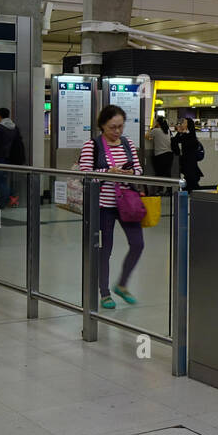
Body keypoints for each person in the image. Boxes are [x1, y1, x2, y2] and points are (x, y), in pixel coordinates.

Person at [77, 105, 143, 309]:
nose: (117, 132)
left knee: (138, 244)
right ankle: (104, 292)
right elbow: (85, 175)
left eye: (120, 127)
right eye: (112, 127)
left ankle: (122, 284)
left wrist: (131, 174)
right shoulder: (92, 146)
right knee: (105, 249)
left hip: (127, 203)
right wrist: (108, 171)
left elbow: (139, 169)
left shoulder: (127, 144)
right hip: (103, 205)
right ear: (102, 126)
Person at [0, 107, 26, 208]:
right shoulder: (14, 128)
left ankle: (4, 201)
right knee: (2, 179)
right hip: (10, 159)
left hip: (0, 158)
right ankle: (11, 197)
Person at [173, 117, 204, 190]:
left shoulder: (189, 136)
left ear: (188, 125)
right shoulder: (187, 135)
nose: (182, 124)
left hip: (190, 164)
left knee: (191, 183)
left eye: (184, 123)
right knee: (190, 183)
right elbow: (175, 141)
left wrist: (180, 132)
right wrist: (180, 132)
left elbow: (175, 141)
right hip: (188, 164)